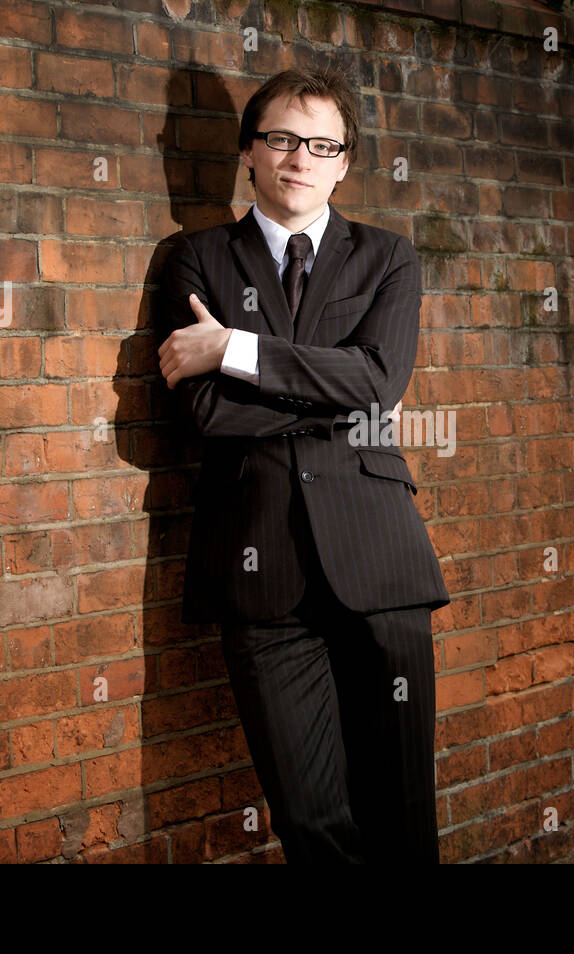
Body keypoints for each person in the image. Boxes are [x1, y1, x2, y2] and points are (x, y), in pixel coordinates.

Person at [156, 66, 450, 863]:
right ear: (249, 152)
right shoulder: (195, 259)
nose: (300, 159)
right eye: (282, 138)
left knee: (400, 815)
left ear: (344, 162)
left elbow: (378, 382)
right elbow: (206, 414)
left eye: (322, 144)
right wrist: (324, 383)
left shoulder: (387, 258)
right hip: (260, 572)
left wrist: (233, 347)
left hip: (379, 564)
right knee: (311, 821)